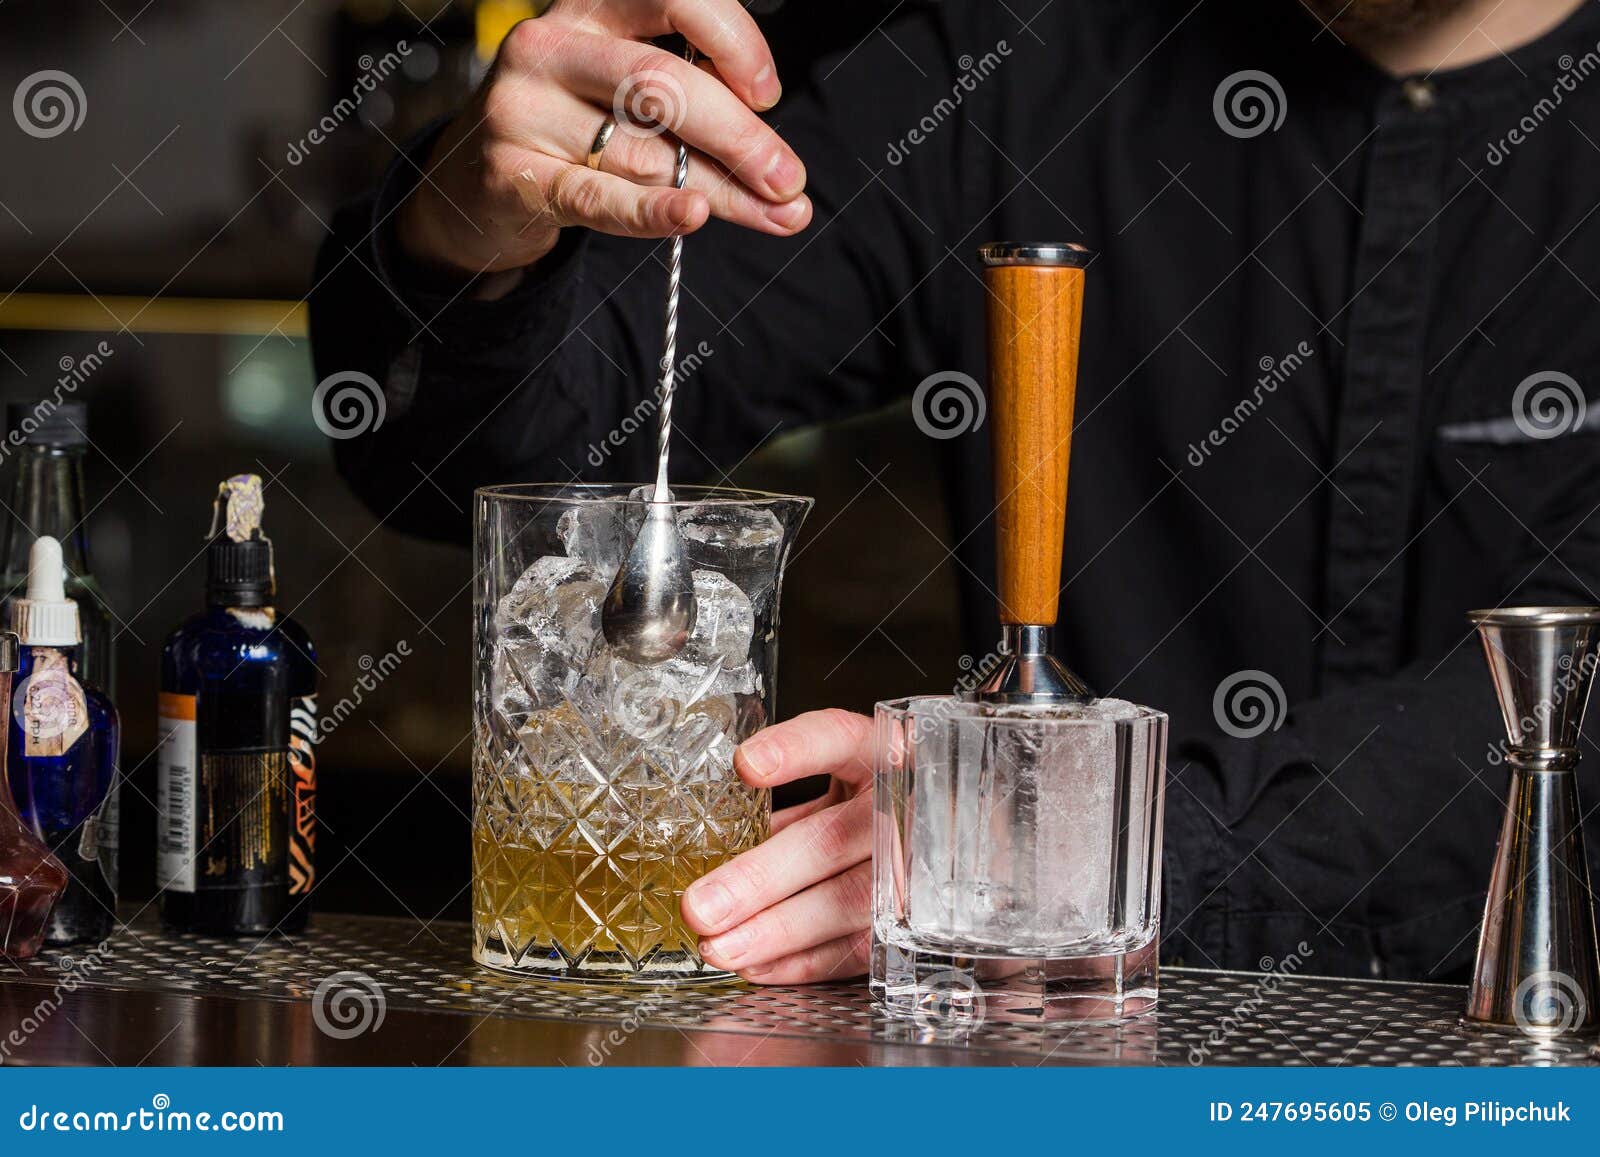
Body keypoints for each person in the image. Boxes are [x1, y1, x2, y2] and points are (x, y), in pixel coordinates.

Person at [311, 0, 1600, 985]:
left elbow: (1569, 749)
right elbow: (487, 467)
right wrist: (478, 225)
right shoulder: (1016, 66)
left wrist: (1090, 846)